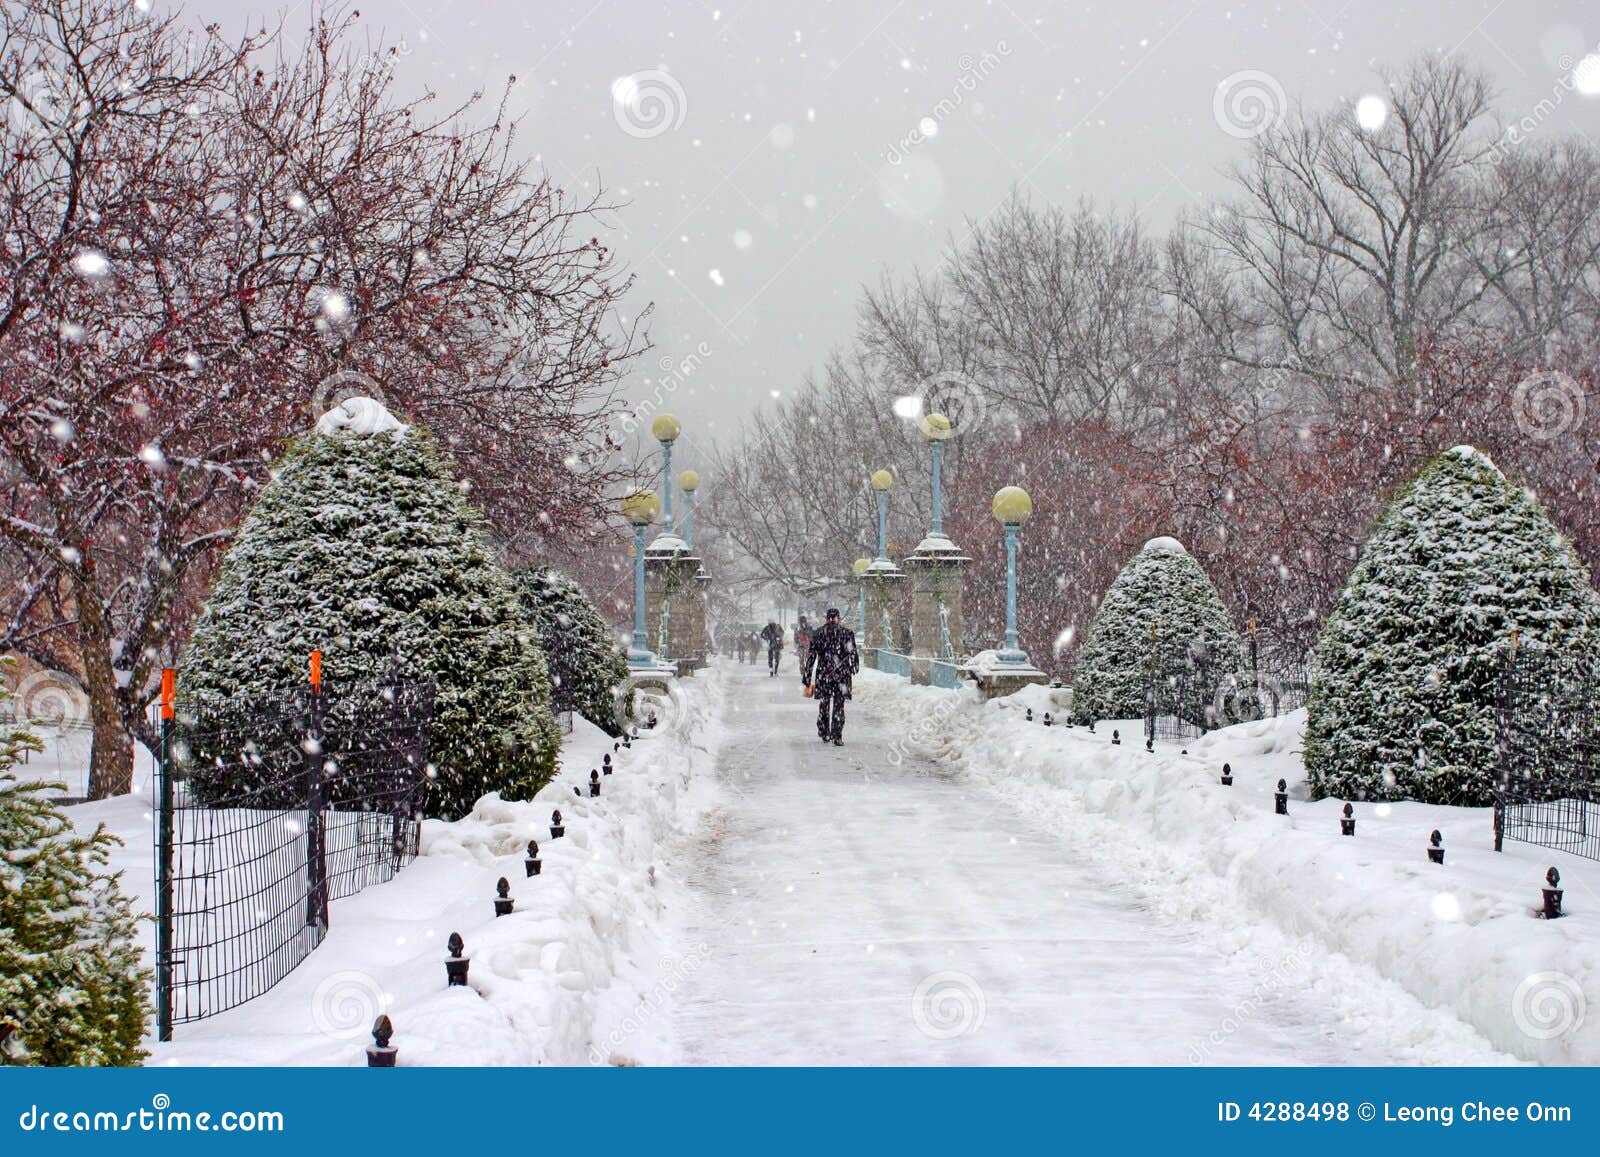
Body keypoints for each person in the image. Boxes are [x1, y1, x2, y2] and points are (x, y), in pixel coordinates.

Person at [803, 607, 859, 745]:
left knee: (824, 704)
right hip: (842, 675)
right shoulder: (846, 633)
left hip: (824, 674)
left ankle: (824, 731)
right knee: (839, 705)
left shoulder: (818, 633)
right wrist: (853, 667)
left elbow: (811, 656)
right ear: (839, 618)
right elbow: (853, 653)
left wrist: (807, 675)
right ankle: (837, 734)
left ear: (826, 619)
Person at [793, 615, 812, 681]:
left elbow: (795, 638)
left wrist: (798, 641)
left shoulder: (798, 628)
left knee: (802, 659)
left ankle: (803, 671)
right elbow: (811, 636)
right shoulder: (809, 627)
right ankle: (805, 671)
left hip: (802, 646)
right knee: (806, 659)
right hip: (807, 646)